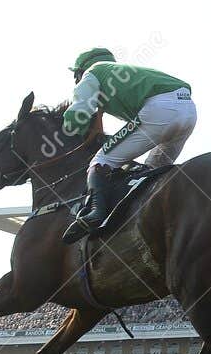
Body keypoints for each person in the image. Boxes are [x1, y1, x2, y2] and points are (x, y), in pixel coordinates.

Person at [61, 47, 197, 242]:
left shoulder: (92, 73)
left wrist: (69, 129)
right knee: (152, 171)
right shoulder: (115, 75)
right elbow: (100, 128)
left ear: (81, 70)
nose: (76, 80)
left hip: (160, 109)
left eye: (76, 75)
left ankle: (95, 212)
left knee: (101, 159)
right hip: (188, 110)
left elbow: (78, 113)